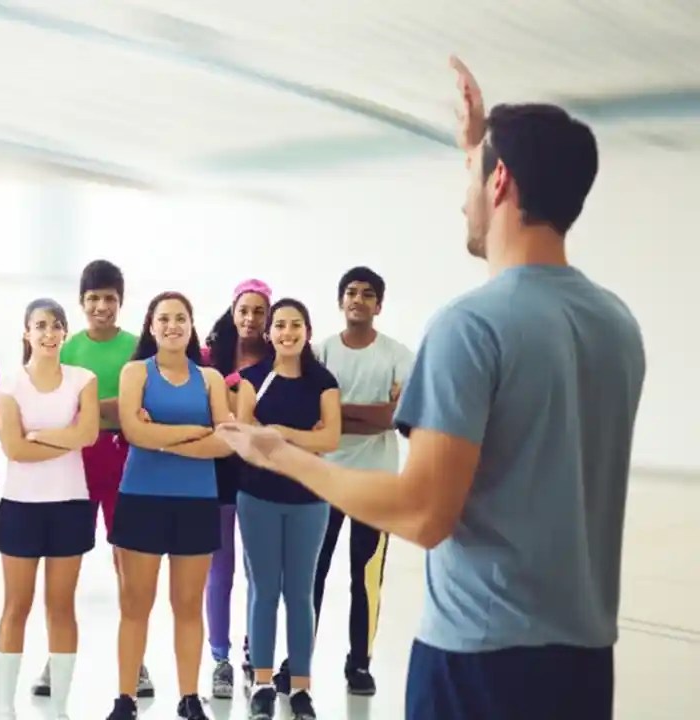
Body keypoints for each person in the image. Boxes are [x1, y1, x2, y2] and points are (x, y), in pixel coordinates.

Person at [216, 56, 645, 720]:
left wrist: (276, 452)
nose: (461, 195)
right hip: (584, 661)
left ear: (500, 182)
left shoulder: (468, 326)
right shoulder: (615, 324)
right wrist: (478, 145)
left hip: (481, 662)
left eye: (472, 176)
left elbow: (422, 512)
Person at [104, 291, 233, 720]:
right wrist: (195, 432)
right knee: (135, 603)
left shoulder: (211, 379)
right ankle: (125, 699)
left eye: (181, 318)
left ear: (191, 326)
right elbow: (135, 435)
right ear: (151, 326)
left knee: (187, 604)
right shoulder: (134, 373)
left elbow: (224, 441)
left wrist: (161, 432)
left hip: (196, 502)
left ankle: (189, 698)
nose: (173, 325)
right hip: (141, 499)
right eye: (164, 318)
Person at [35, 259, 153, 699]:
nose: (101, 307)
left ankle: (136, 661)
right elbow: (52, 404)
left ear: (120, 302)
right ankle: (55, 658)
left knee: (128, 562)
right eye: (93, 299)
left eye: (109, 299)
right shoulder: (67, 349)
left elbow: (139, 404)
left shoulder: (138, 346)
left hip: (126, 460)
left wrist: (93, 406)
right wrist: (112, 404)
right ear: (81, 303)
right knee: (63, 562)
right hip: (74, 460)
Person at [309, 266, 413, 697]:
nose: (358, 299)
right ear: (340, 301)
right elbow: (311, 413)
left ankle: (360, 664)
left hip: (377, 486)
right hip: (325, 480)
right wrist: (370, 414)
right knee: (311, 574)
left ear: (379, 305)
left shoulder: (398, 355)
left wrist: (338, 413)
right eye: (350, 292)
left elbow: (398, 417)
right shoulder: (320, 353)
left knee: (365, 578)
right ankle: (298, 658)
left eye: (367, 294)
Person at [0, 298, 100, 720]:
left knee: (61, 606)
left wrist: (39, 436)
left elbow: (89, 433)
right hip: (21, 506)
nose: (49, 333)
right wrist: (60, 437)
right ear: (26, 332)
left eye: (56, 326)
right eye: (40, 326)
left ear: (65, 333)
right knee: (15, 606)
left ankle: (59, 709)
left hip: (70, 504)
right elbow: (14, 448)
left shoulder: (82, 379)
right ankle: (5, 707)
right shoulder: (8, 384)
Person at [234, 298, 340, 720]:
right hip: (257, 497)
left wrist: (275, 433)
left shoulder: (323, 382)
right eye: (279, 325)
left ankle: (300, 687)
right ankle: (262, 683)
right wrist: (299, 438)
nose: (287, 332)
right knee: (264, 590)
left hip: (310, 500)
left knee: (300, 593)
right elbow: (244, 438)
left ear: (307, 331)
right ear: (269, 332)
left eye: (296, 324)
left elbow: (330, 439)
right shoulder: (252, 379)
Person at [200, 278, 273, 699]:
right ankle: (220, 657)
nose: (250, 318)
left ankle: (254, 650)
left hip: (261, 474)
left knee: (258, 570)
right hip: (220, 474)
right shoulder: (211, 358)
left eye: (258, 312)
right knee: (220, 569)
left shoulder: (280, 358)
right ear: (233, 311)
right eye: (244, 310)